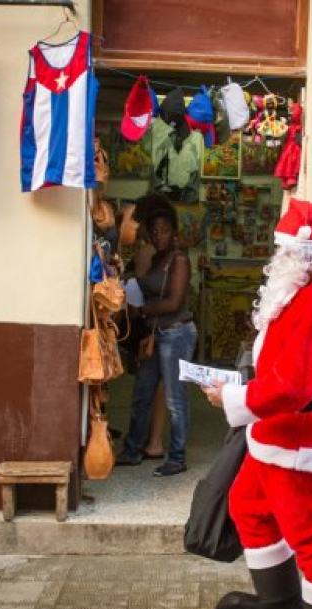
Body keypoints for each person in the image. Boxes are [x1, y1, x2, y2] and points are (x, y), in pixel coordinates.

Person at [203, 198, 312, 609]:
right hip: (276, 433)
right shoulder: (308, 293)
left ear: (304, 255)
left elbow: (295, 385)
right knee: (249, 505)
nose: (278, 261)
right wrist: (243, 392)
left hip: (300, 440)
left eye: (284, 252)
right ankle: (281, 599)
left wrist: (237, 400)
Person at [115, 193, 197, 476]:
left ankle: (177, 456)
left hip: (176, 333)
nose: (160, 235)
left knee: (175, 398)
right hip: (156, 333)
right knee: (142, 392)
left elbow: (174, 302)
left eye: (166, 230)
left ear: (174, 232)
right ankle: (132, 449)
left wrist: (142, 310)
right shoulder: (155, 258)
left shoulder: (179, 260)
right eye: (156, 230)